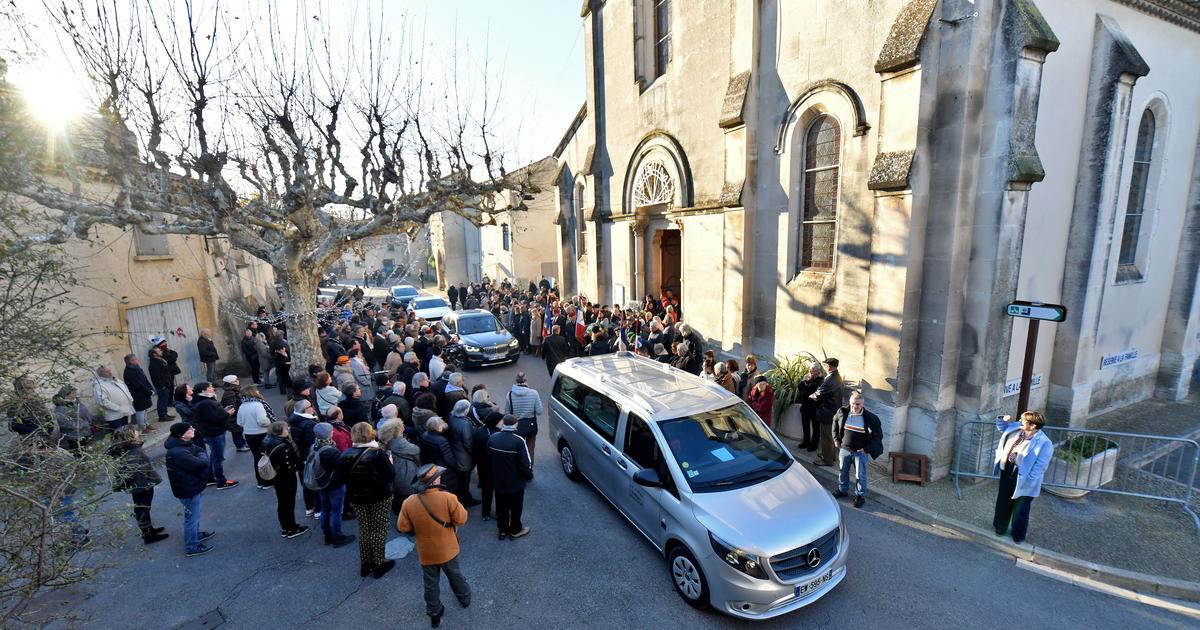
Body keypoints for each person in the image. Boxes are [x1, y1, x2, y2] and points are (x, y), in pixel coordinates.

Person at [397, 464, 470, 628]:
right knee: (455, 575)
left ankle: (434, 613)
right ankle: (464, 598)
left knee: (430, 583)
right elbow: (462, 519)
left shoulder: (409, 502)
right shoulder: (448, 497)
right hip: (448, 549)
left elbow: (403, 527)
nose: (440, 477)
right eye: (438, 475)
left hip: (426, 552)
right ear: (434, 480)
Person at [338, 422, 396, 578]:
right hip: (379, 496)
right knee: (378, 530)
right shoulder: (378, 454)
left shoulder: (345, 454)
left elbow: (343, 478)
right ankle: (378, 564)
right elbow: (390, 476)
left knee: (364, 529)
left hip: (357, 497)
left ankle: (365, 564)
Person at [992, 411, 1054, 544]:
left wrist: (1029, 479)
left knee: (1021, 507)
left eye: (1023, 420)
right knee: (1003, 499)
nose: (1020, 422)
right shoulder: (1017, 428)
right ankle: (1000, 527)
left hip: (1025, 477)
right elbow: (1001, 426)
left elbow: (1040, 466)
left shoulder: (1044, 443)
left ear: (1032, 426)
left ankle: (1018, 534)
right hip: (1008, 468)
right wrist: (1003, 418)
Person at [108, 425, 168, 544]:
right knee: (143, 508)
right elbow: (130, 470)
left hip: (139, 484)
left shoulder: (126, 449)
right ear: (129, 435)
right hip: (141, 484)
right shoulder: (133, 450)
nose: (137, 432)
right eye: (135, 431)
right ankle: (148, 535)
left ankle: (149, 529)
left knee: (143, 508)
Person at [164, 422, 214, 557]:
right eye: (189, 429)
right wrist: (203, 456)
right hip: (188, 489)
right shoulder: (178, 452)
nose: (193, 429)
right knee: (192, 517)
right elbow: (200, 463)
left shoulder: (182, 445)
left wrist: (201, 454)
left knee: (193, 515)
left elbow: (199, 451)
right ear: (181, 435)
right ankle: (192, 546)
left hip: (191, 486)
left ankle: (195, 535)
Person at [831, 391, 884, 508]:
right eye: (853, 403)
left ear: (863, 405)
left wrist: (867, 449)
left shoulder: (871, 418)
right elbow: (834, 423)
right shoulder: (842, 412)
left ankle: (860, 496)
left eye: (858, 404)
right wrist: (836, 439)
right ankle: (842, 490)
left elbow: (878, 436)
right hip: (844, 449)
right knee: (842, 471)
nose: (855, 406)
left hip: (860, 452)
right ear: (850, 402)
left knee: (860, 475)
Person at [310, 422, 356, 547]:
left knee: (325, 509)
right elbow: (341, 467)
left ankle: (327, 535)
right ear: (328, 434)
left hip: (321, 483)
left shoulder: (314, 446)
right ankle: (338, 537)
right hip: (334, 484)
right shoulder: (330, 451)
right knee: (336, 511)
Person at [263, 421, 311, 538]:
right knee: (289, 503)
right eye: (285, 429)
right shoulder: (283, 446)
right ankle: (292, 528)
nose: (288, 430)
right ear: (279, 432)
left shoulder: (267, 440)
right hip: (286, 479)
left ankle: (285, 527)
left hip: (276, 478)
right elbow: (289, 465)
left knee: (282, 503)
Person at [489, 414, 533, 540]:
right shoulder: (519, 440)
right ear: (515, 425)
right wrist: (528, 476)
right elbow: (525, 463)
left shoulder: (493, 438)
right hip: (515, 482)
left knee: (501, 506)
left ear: (503, 424)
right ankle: (515, 530)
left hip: (499, 480)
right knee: (516, 507)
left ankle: (502, 530)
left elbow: (488, 457)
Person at [191, 382, 239, 490]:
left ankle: (211, 478)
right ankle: (221, 481)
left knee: (214, 456)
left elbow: (213, 414)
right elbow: (214, 418)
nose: (213, 388)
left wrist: (223, 410)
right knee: (218, 457)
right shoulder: (205, 403)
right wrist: (227, 413)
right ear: (204, 390)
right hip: (214, 433)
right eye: (210, 387)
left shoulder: (202, 401)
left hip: (212, 432)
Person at [237, 384, 276, 489]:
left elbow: (239, 422)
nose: (259, 392)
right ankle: (268, 481)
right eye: (257, 391)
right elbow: (262, 421)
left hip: (249, 435)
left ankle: (260, 481)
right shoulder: (258, 405)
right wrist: (270, 422)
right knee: (266, 458)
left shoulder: (242, 406)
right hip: (261, 433)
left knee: (257, 458)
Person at [379, 419, 421, 514]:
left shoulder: (385, 443)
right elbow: (416, 450)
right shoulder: (401, 444)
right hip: (406, 477)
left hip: (394, 478)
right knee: (407, 505)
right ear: (398, 431)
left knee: (398, 502)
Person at [503, 372, 544, 467]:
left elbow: (506, 413)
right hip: (531, 426)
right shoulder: (534, 393)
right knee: (530, 449)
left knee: (518, 449)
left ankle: (518, 469)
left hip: (516, 427)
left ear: (516, 381)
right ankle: (529, 469)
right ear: (526, 380)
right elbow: (539, 411)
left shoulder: (509, 395)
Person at [811, 358, 845, 467]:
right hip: (833, 411)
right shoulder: (836, 376)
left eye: (825, 365)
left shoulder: (831, 379)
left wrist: (811, 396)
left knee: (826, 437)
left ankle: (827, 460)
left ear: (829, 366)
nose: (824, 367)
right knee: (831, 436)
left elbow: (820, 394)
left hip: (827, 411)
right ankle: (831, 456)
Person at [288, 399, 319, 517]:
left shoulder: (294, 420)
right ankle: (317, 509)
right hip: (309, 457)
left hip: (300, 456)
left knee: (306, 482)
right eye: (311, 406)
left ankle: (309, 507)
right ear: (306, 409)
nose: (313, 408)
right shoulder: (309, 424)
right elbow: (312, 444)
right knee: (313, 482)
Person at [446, 400, 480, 507]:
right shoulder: (464, 424)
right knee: (464, 481)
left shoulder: (452, 418)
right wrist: (474, 454)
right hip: (464, 458)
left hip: (456, 453)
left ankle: (465, 498)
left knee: (460, 481)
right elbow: (468, 443)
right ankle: (465, 501)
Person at [419, 416, 459, 495]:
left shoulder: (424, 435)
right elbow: (449, 459)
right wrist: (456, 466)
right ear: (438, 427)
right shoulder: (441, 441)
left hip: (430, 467)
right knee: (447, 491)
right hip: (443, 471)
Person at [92, 365, 135, 433]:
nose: (110, 372)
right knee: (119, 434)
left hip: (126, 411)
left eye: (109, 370)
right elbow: (102, 402)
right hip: (114, 415)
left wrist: (130, 400)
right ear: (101, 374)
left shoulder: (116, 380)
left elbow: (126, 390)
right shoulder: (99, 386)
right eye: (107, 371)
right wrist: (118, 408)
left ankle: (132, 442)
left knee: (129, 431)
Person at [53, 385, 94, 451]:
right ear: (66, 396)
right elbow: (63, 423)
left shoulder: (76, 401)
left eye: (75, 392)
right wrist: (81, 425)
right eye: (73, 393)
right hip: (74, 436)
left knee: (89, 451)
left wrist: (89, 419)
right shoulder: (61, 408)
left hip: (85, 431)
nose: (76, 394)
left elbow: (83, 411)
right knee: (79, 453)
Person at [123, 354, 156, 431]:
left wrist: (151, 389)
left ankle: (146, 424)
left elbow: (145, 380)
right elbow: (138, 385)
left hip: (144, 393)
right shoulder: (130, 371)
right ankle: (143, 427)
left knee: (145, 410)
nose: (138, 360)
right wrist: (149, 392)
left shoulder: (136, 368)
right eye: (136, 359)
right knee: (140, 411)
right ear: (131, 361)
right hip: (138, 395)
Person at [798, 364, 824, 451]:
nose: (810, 372)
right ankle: (806, 441)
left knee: (815, 427)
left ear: (817, 371)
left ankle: (814, 444)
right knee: (805, 426)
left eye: (812, 370)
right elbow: (800, 388)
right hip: (805, 406)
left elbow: (812, 392)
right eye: (810, 369)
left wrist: (805, 392)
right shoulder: (807, 378)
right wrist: (806, 381)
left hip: (814, 408)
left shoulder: (820, 380)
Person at [148, 347, 175, 422]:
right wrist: (162, 386)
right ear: (154, 354)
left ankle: (165, 414)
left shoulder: (160, 360)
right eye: (159, 351)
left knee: (165, 400)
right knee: (162, 401)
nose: (161, 351)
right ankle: (162, 416)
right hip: (161, 386)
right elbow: (156, 377)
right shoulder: (154, 363)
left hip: (166, 384)